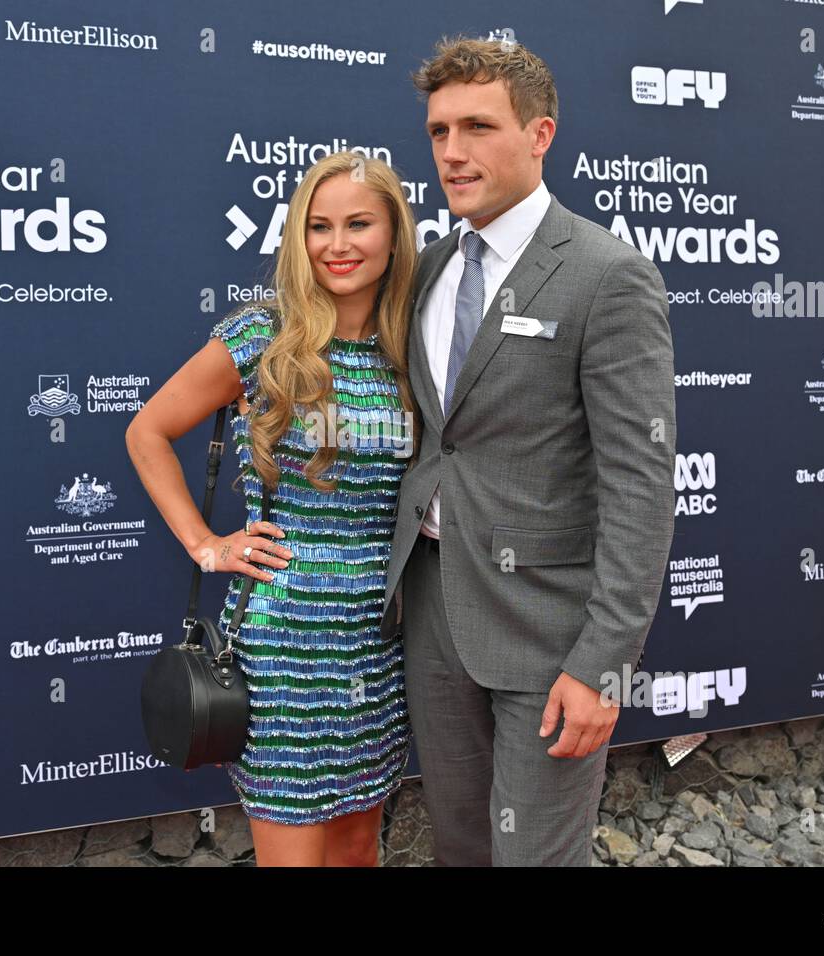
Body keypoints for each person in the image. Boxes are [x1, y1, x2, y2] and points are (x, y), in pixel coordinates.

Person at [379, 36, 677, 865]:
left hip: (550, 631)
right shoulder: (429, 268)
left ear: (540, 135)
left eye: (478, 127)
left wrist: (605, 663)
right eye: (439, 131)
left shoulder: (606, 275)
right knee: (464, 848)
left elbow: (640, 484)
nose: (453, 152)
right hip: (435, 610)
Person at [126, 151, 420, 866]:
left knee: (358, 848)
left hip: (379, 642)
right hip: (285, 644)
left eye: (358, 224)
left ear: (394, 236)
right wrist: (207, 544)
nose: (337, 244)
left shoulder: (413, 349)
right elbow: (147, 431)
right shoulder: (263, 338)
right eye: (319, 226)